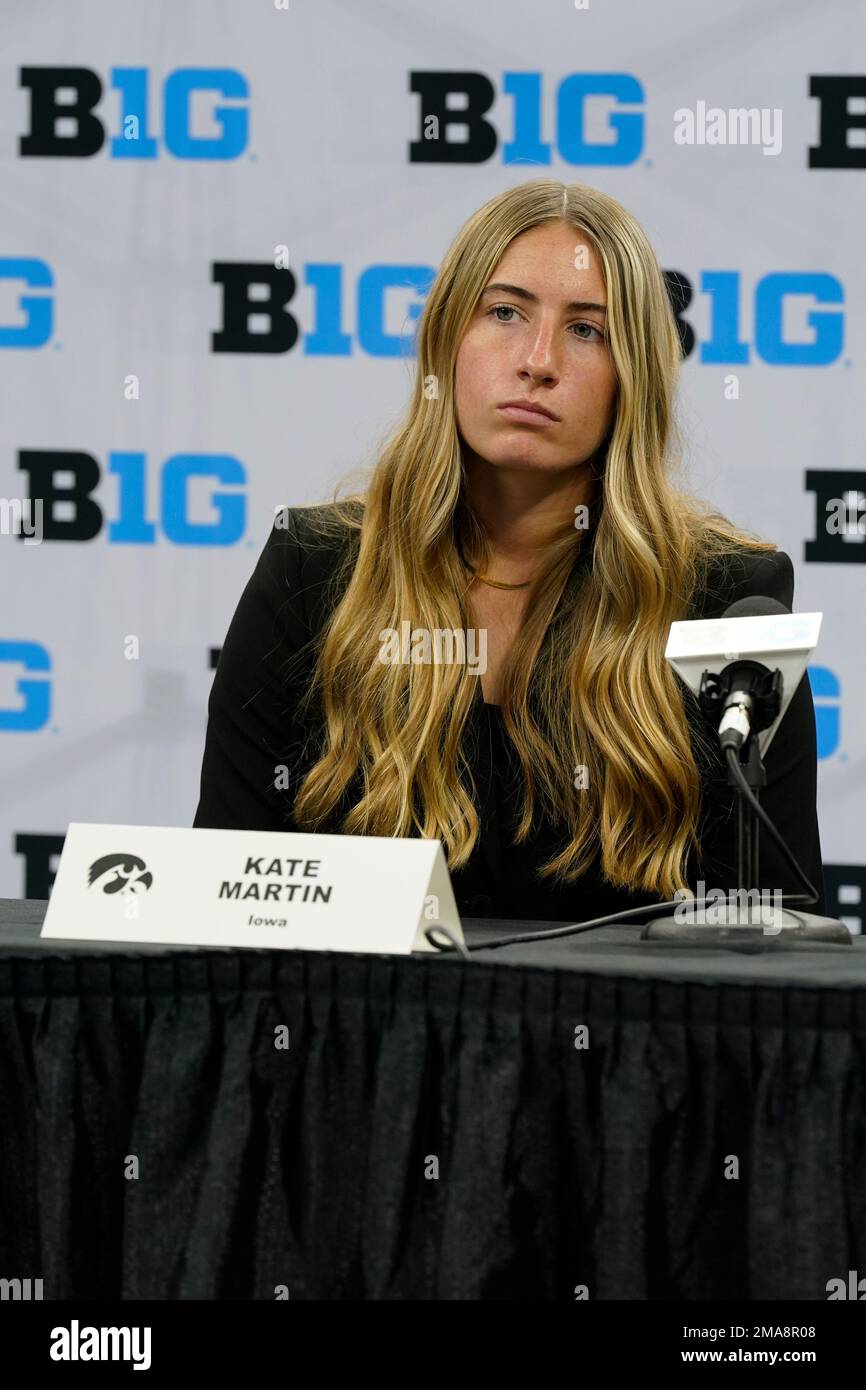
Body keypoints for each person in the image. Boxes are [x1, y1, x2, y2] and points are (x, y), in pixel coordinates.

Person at [193, 179, 825, 925]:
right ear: (445, 343)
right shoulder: (314, 567)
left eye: (588, 330)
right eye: (504, 312)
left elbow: (778, 936)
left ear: (635, 380)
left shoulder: (724, 598)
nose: (538, 360)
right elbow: (222, 896)